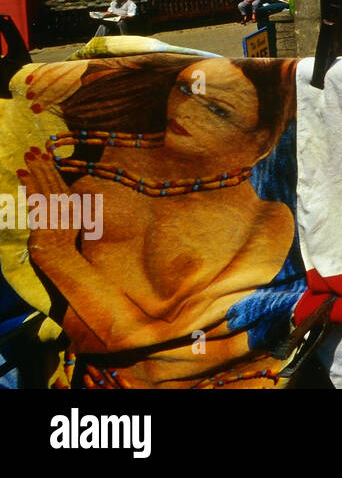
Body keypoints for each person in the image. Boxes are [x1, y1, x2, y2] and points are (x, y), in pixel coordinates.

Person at [18, 55, 297, 387]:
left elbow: (148, 340)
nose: (186, 111)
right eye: (184, 90)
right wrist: (65, 75)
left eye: (218, 111)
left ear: (260, 144)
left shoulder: (267, 222)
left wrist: (56, 253)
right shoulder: (110, 158)